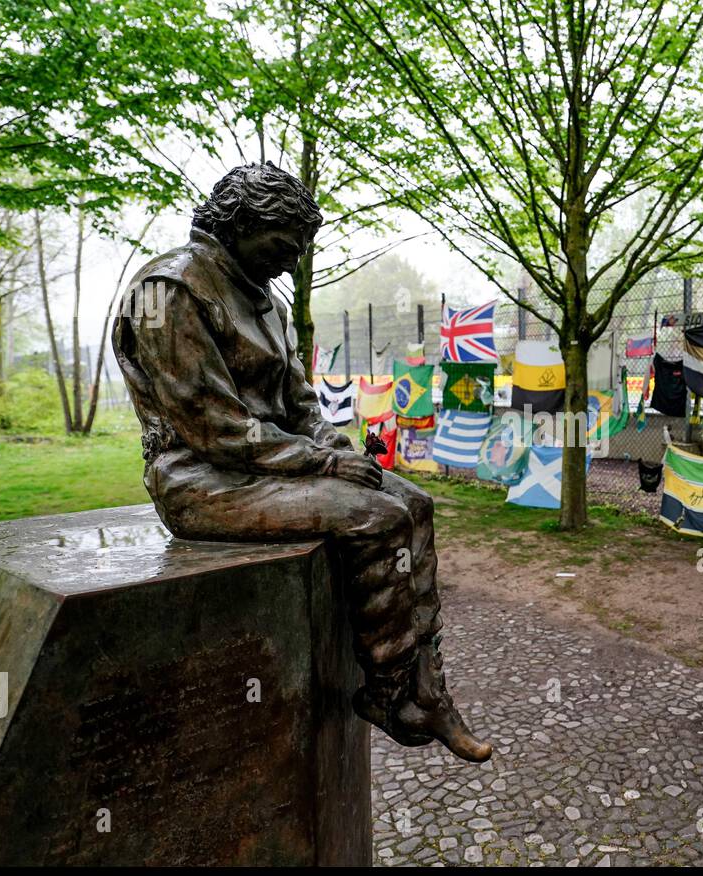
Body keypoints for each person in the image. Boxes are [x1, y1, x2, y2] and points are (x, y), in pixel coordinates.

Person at [112, 162, 491, 762]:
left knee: (414, 502)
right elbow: (212, 424)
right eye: (284, 246)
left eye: (299, 250)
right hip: (204, 478)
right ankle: (390, 691)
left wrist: (333, 447)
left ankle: (429, 688)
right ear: (239, 224)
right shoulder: (171, 291)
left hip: (271, 464)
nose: (291, 263)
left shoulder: (267, 302)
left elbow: (300, 401)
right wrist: (318, 462)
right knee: (376, 517)